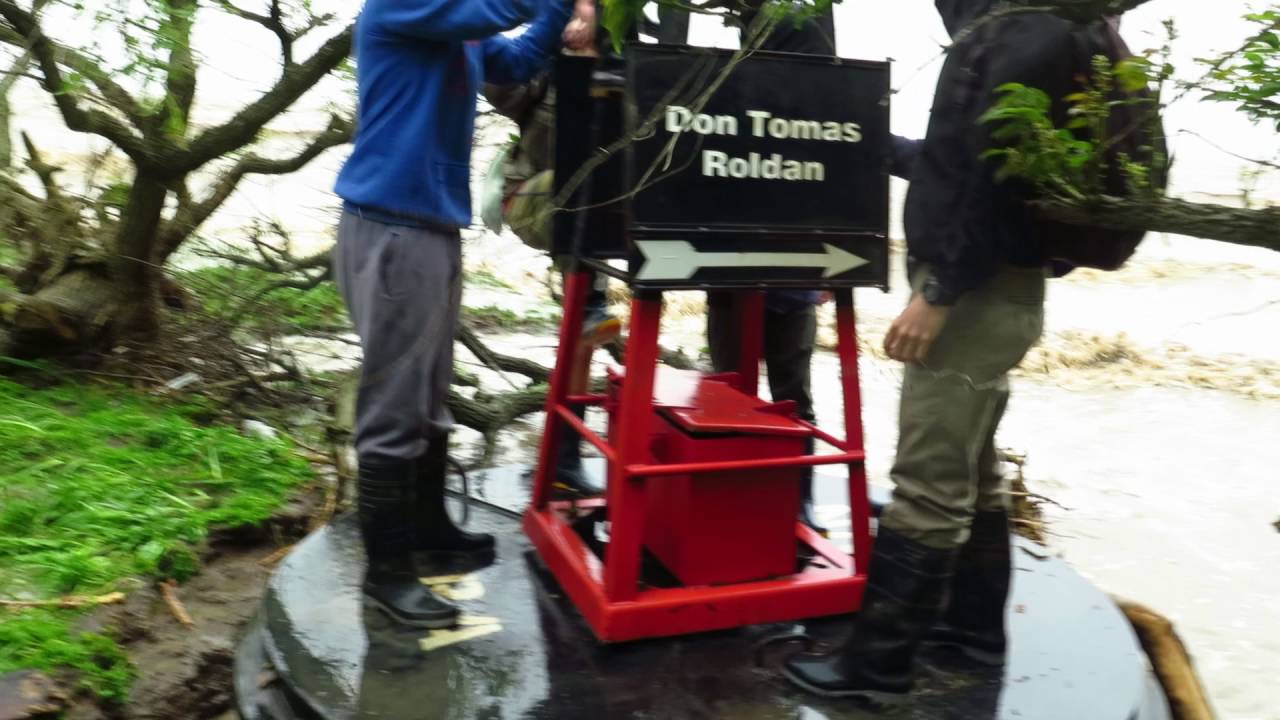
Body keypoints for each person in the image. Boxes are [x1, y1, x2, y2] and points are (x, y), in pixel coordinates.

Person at [783, 0, 1084, 702]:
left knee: (926, 485)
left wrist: (939, 293)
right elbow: (960, 164)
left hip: (973, 293)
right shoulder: (1025, 28)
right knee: (970, 476)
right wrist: (877, 144)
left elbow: (995, 186)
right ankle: (973, 635)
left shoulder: (1021, 32)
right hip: (995, 287)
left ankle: (874, 672)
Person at [332, 0, 581, 629]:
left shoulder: (457, 30)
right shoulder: (405, 4)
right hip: (391, 227)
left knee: (429, 395)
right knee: (394, 405)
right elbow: (503, 8)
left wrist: (562, 12)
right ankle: (387, 577)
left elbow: (520, 57)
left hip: (429, 227)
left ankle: (429, 529)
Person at [705, 4, 837, 535]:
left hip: (791, 270)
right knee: (728, 390)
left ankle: (794, 497)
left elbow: (832, 171)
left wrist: (827, 266)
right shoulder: (732, 88)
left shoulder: (817, 103)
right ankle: (733, 492)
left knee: (790, 393)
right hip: (735, 265)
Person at [481, 0, 621, 498]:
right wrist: (553, 33)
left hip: (588, 218)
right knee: (589, 182)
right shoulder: (543, 66)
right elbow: (495, 78)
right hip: (532, 199)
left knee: (582, 337)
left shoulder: (620, 70)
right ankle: (592, 305)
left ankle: (563, 458)